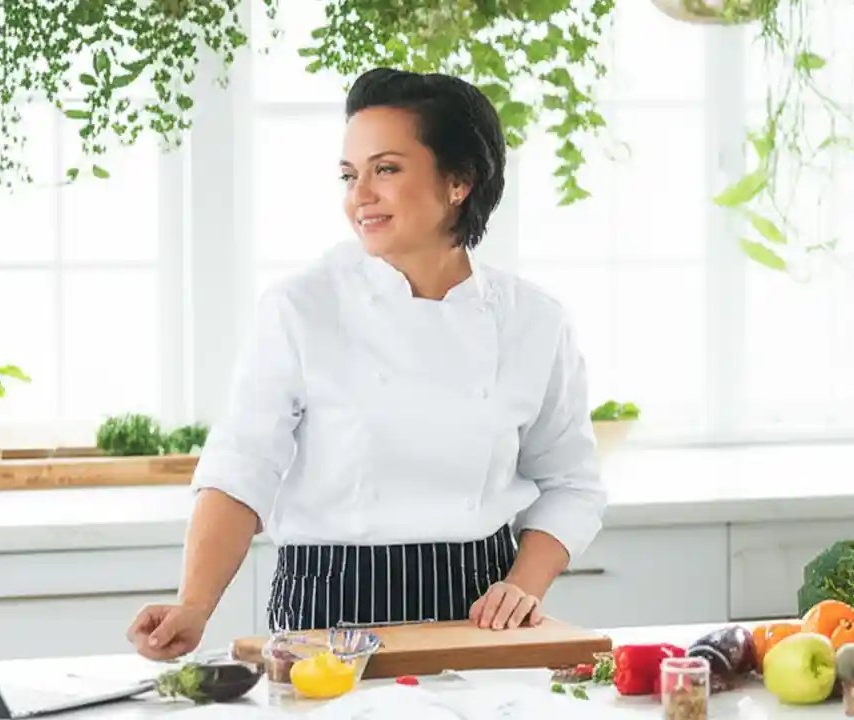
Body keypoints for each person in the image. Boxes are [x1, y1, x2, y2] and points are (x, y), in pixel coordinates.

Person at [127, 67, 607, 661]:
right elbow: (241, 468)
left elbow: (571, 483)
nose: (360, 195)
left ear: (460, 181)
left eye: (386, 169)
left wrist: (521, 587)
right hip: (329, 609)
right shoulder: (300, 308)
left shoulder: (534, 320)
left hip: (479, 613)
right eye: (350, 175)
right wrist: (194, 605)